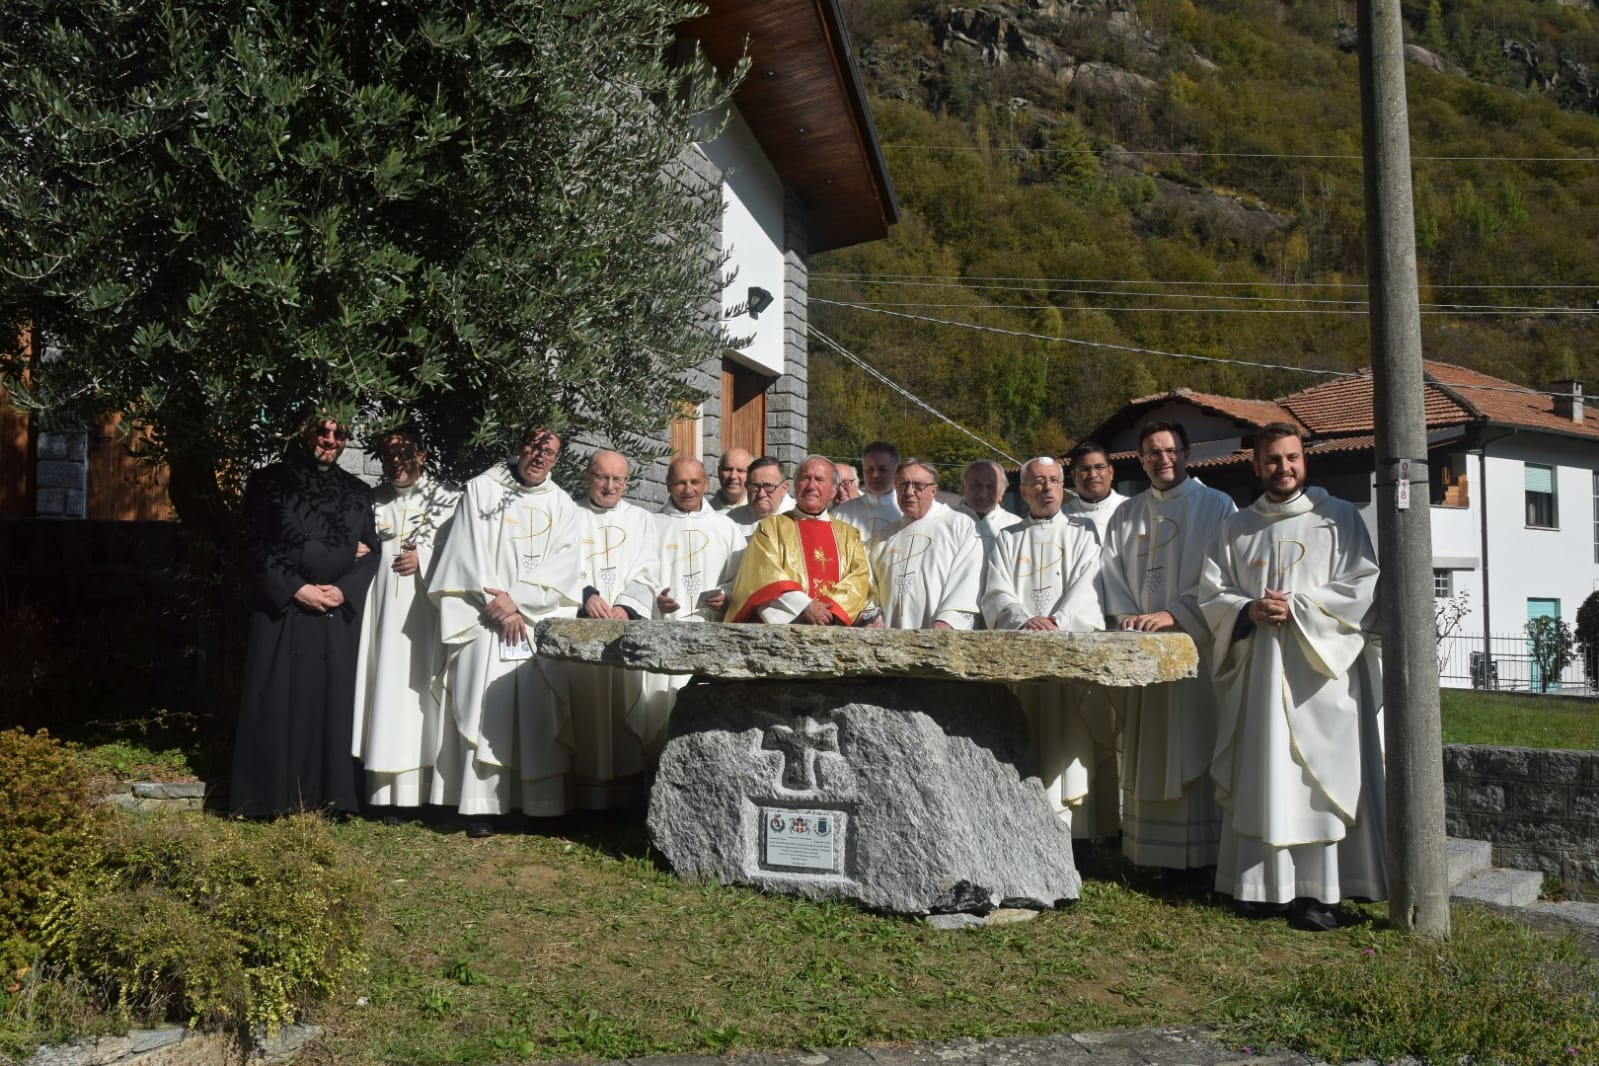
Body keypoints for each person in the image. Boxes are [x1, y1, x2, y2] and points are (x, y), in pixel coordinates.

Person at [1199, 424, 1385, 930]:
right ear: (1256, 466)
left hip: (1320, 678)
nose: (1284, 468)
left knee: (1319, 779)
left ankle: (1320, 895)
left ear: (1304, 461)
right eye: (1273, 461)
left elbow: (1364, 587)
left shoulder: (1339, 518)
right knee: (1264, 772)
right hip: (1259, 674)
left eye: (1292, 458)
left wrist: (1300, 608)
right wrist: (1248, 609)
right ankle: (1262, 889)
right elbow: (1212, 595)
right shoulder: (1236, 528)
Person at [428, 426, 584, 835]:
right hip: (485, 619)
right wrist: (498, 606)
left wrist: (519, 602)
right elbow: (468, 549)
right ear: (519, 447)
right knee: (483, 709)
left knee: (536, 710)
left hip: (533, 622)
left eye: (548, 452)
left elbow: (567, 564)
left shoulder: (564, 505)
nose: (539, 456)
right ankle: (482, 806)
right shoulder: (482, 489)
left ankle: (538, 805)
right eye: (533, 447)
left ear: (556, 458)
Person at [1101, 421, 1236, 872]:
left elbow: (1222, 576)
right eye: (1152, 453)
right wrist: (1127, 619)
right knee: (1148, 742)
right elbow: (1112, 576)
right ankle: (1147, 854)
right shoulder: (1126, 514)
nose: (1163, 459)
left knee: (1193, 737)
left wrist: (1175, 613)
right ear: (1140, 460)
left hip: (1192, 648)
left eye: (1171, 450)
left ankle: (1201, 859)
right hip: (1141, 649)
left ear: (1187, 453)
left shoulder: (1217, 506)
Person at [231, 413, 379, 818]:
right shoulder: (268, 483)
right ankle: (269, 799)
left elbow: (373, 552)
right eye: (322, 431)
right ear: (304, 431)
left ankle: (331, 798)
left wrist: (343, 590)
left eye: (338, 433)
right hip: (282, 613)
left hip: (334, 614)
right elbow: (253, 545)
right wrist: (295, 588)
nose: (329, 440)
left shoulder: (357, 491)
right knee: (278, 701)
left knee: (331, 705)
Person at [981, 456, 1112, 838]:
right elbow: (997, 590)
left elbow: (1090, 584)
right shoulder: (1009, 537)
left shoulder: (1083, 532)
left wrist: (1059, 621)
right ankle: (1026, 830)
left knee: (1072, 738)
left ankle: (1078, 835)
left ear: (1063, 485)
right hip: (1023, 658)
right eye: (1037, 482)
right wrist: (1024, 619)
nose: (1047, 488)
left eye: (1054, 480)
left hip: (1069, 655)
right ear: (1023, 492)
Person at [351, 425, 460, 819]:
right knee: (384, 694)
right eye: (389, 454)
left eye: (405, 453)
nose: (397, 462)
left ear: (423, 454)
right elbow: (356, 543)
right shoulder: (371, 500)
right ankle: (384, 797)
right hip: (382, 618)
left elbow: (462, 553)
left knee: (421, 701)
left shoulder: (448, 499)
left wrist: (426, 558)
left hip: (424, 620)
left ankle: (427, 794)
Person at [567, 449, 662, 809]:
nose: (610, 486)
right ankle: (581, 799)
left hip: (623, 628)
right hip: (580, 627)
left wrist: (626, 605)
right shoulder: (568, 514)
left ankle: (624, 798)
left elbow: (649, 571)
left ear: (626, 482)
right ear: (587, 476)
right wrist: (586, 594)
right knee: (583, 708)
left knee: (623, 705)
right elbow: (559, 563)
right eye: (602, 477)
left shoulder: (641, 520)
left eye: (618, 479)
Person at [639, 457, 745, 743]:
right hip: (663, 636)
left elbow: (741, 578)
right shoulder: (650, 525)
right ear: (668, 485)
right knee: (658, 721)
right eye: (681, 482)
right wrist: (655, 601)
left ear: (706, 484)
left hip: (709, 637)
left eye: (695, 482)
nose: (688, 489)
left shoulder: (727, 528)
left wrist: (726, 596)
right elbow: (638, 575)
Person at [727, 455, 871, 625]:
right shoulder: (770, 528)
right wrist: (804, 606)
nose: (811, 486)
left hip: (834, 627)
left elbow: (859, 579)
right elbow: (763, 576)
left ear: (833, 491)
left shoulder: (849, 535)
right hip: (785, 630)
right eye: (805, 478)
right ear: (794, 486)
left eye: (819, 479)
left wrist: (829, 611)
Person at [868, 460, 981, 630]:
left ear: (934, 490)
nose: (909, 492)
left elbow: (968, 578)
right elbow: (868, 584)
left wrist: (949, 620)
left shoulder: (959, 526)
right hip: (889, 638)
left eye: (918, 486)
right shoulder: (881, 539)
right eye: (902, 485)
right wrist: (871, 615)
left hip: (940, 635)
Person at [834, 441, 902, 541]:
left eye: (882, 469)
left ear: (896, 471)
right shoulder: (841, 513)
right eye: (869, 469)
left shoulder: (907, 512)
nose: (875, 475)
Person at [1062, 441, 1126, 545]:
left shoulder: (1131, 509)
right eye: (1084, 469)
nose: (1093, 475)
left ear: (1111, 472)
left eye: (1099, 467)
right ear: (1073, 476)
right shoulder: (1062, 516)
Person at [725, 455, 791, 537]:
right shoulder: (731, 521)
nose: (761, 494)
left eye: (768, 486)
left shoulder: (799, 520)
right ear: (746, 486)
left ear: (784, 488)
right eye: (755, 486)